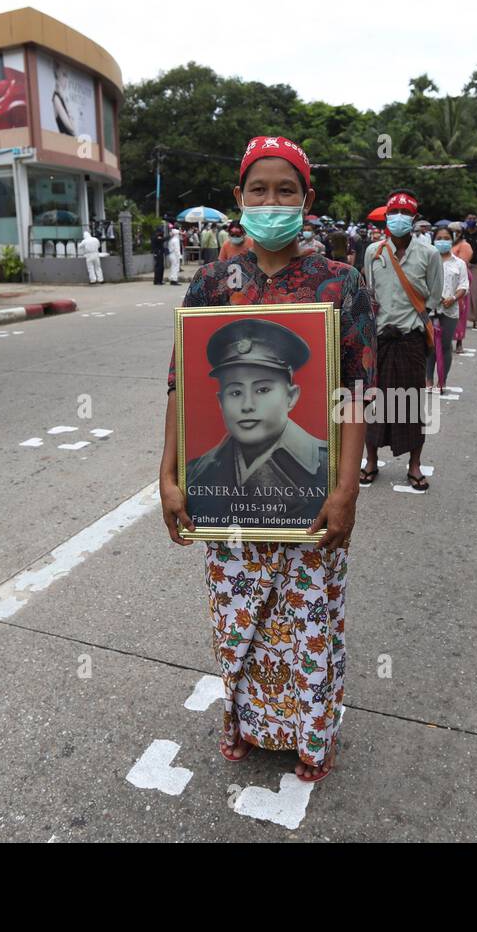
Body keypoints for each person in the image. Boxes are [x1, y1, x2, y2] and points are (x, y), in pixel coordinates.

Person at [160, 134, 375, 783]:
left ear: (307, 200)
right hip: (227, 499)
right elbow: (181, 383)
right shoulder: (209, 282)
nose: (272, 201)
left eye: (286, 190)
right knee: (239, 615)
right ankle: (246, 725)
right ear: (240, 198)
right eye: (260, 189)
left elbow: (355, 390)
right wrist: (167, 474)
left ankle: (313, 734)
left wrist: (346, 489)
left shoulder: (342, 284)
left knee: (308, 614)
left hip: (311, 494)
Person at [184, 318, 329, 522]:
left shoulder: (326, 468)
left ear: (291, 397)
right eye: (235, 392)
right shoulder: (196, 472)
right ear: (220, 401)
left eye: (262, 389)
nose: (247, 405)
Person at [361, 190, 442, 491]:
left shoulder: (429, 254)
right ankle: (370, 461)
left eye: (405, 214)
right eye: (394, 213)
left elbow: (433, 296)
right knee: (374, 402)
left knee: (412, 403)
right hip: (380, 339)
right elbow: (369, 294)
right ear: (386, 217)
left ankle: (414, 465)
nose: (399, 219)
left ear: (414, 219)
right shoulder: (373, 252)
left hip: (411, 341)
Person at [426, 225, 465, 391]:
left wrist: (453, 298)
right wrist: (433, 296)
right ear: (434, 240)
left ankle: (442, 380)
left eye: (446, 238)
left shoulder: (459, 263)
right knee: (430, 345)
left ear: (452, 239)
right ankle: (428, 379)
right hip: (430, 309)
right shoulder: (427, 260)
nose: (443, 241)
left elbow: (464, 285)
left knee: (445, 345)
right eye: (439, 238)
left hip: (450, 310)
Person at [451, 226, 473, 350]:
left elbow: (462, 264)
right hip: (447, 277)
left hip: (460, 278)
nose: (454, 234)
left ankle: (459, 341)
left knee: (460, 309)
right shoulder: (449, 244)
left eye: (457, 231)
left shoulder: (465, 245)